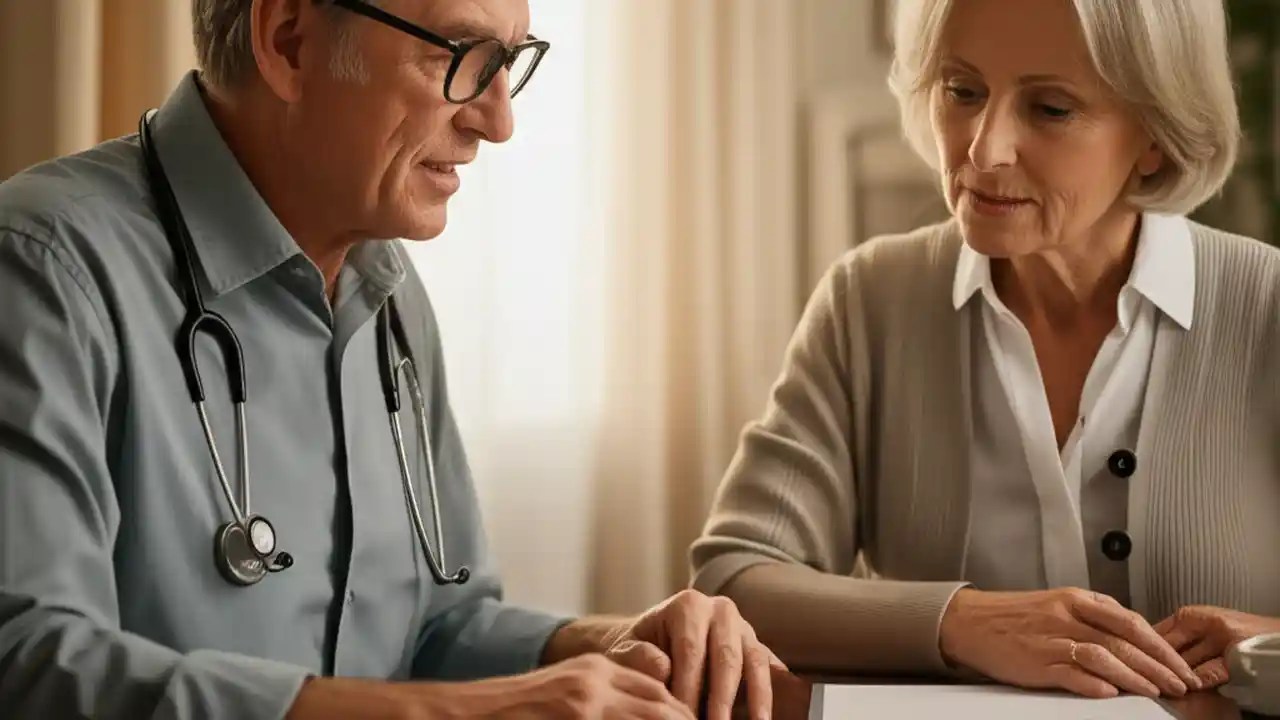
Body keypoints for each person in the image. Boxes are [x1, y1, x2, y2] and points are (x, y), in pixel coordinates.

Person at [0, 1, 782, 718]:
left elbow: (440, 628)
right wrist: (447, 714)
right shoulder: (42, 269)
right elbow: (27, 665)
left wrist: (601, 646)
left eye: (510, 62)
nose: (498, 119)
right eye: (462, 55)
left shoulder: (389, 294)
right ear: (289, 41)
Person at [691, 0, 1280, 702]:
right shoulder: (871, 299)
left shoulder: (1268, 309)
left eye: (1051, 109)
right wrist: (963, 622)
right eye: (962, 91)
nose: (982, 148)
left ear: (1154, 133)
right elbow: (733, 580)